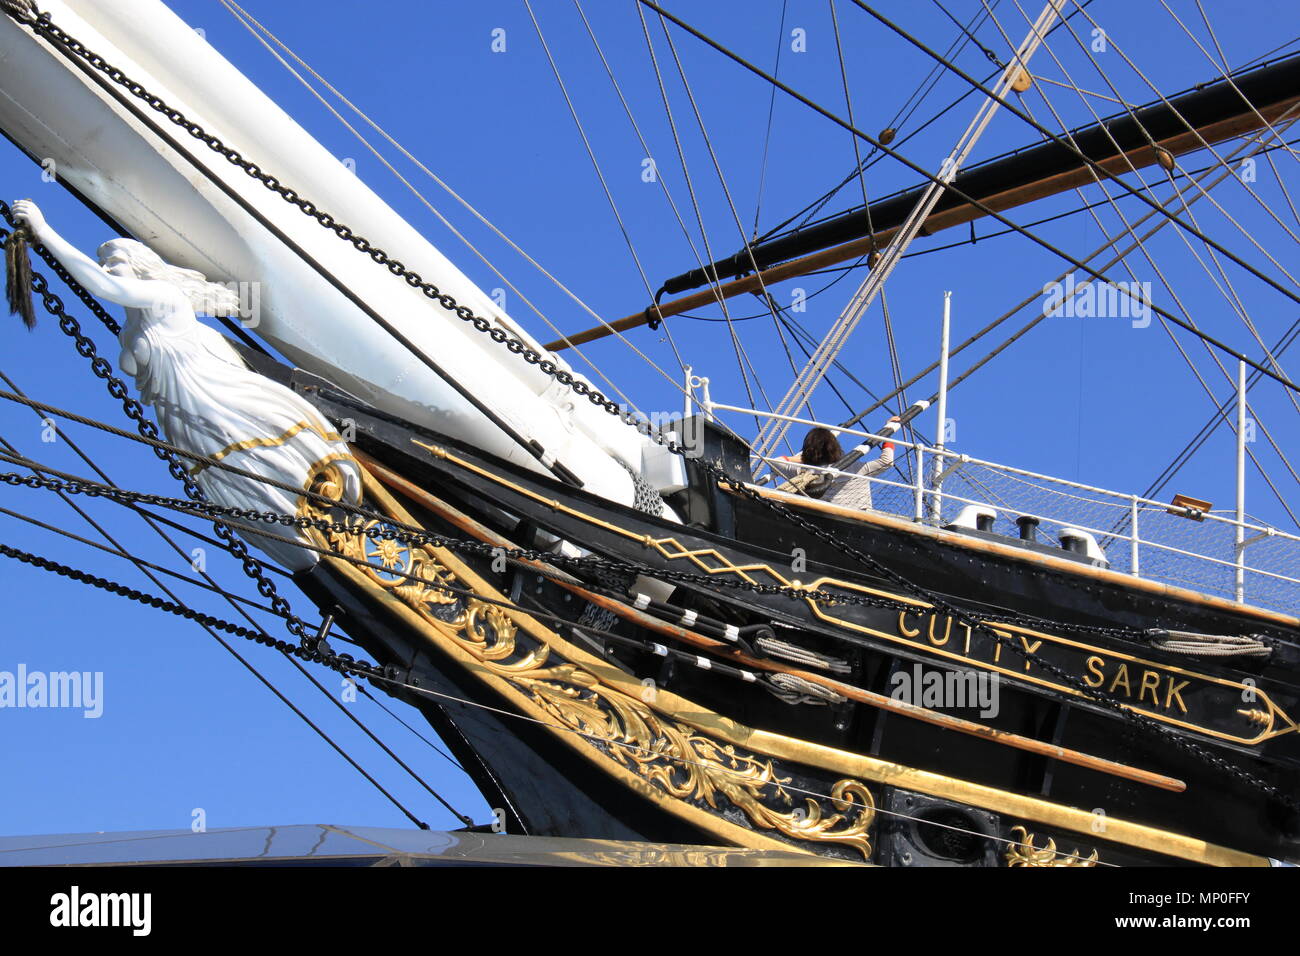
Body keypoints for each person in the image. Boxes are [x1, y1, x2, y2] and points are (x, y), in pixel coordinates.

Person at [11, 198, 361, 571]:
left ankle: (322, 514)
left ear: (140, 268)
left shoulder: (166, 297)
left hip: (211, 398)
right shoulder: (131, 330)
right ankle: (301, 541)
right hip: (180, 421)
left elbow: (101, 287)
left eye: (114, 263)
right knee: (236, 483)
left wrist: (44, 230)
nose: (107, 269)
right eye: (105, 264)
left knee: (260, 458)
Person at [770, 419, 899, 510]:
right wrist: (888, 434)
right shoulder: (855, 467)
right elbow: (886, 461)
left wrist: (803, 459)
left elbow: (775, 461)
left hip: (822, 518)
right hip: (859, 517)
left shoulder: (803, 472)